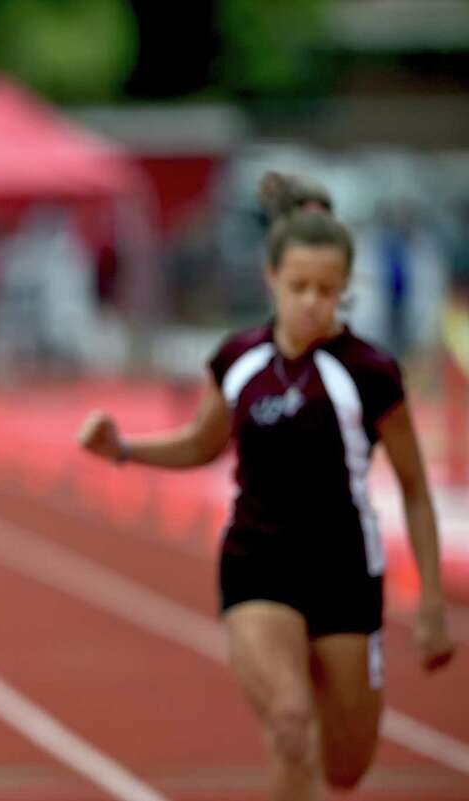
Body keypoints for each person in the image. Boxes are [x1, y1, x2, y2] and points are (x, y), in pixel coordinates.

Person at [78, 172, 454, 800]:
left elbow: (416, 489)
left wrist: (435, 602)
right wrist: (122, 449)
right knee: (288, 726)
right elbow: (202, 443)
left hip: (343, 574)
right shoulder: (239, 360)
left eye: (328, 290)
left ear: (346, 290)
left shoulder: (370, 373)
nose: (312, 302)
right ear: (271, 279)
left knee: (343, 767)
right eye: (299, 286)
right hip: (258, 563)